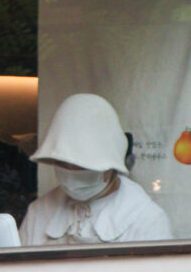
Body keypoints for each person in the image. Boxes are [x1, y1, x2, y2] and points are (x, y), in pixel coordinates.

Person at [20, 92, 173, 246]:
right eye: (62, 164)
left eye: (80, 167)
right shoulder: (39, 212)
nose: (69, 172)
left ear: (110, 168)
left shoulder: (146, 219)